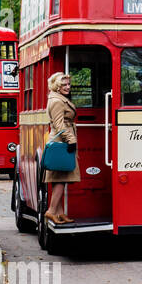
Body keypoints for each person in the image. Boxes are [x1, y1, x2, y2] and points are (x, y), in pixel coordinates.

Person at [45, 71, 79, 224]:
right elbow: (59, 124)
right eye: (63, 85)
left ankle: (60, 213)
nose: (67, 87)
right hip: (62, 141)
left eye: (68, 84)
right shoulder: (57, 101)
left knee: (61, 178)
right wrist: (71, 141)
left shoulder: (58, 98)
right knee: (61, 178)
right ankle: (51, 211)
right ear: (57, 87)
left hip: (62, 140)